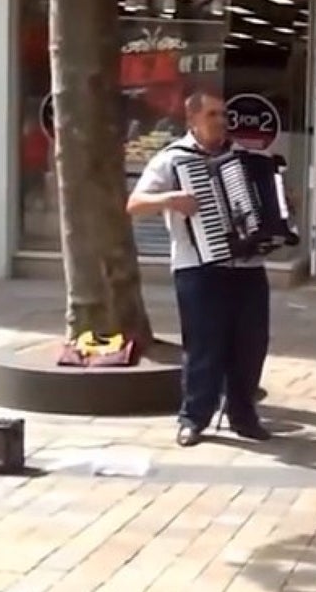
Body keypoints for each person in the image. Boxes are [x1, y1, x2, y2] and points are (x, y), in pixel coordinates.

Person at [126, 91, 272, 448]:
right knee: (204, 344)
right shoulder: (172, 160)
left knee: (251, 343)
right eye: (212, 115)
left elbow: (269, 198)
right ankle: (193, 418)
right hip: (197, 267)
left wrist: (277, 206)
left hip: (248, 265)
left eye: (223, 115)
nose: (221, 121)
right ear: (192, 120)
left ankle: (243, 415)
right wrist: (170, 200)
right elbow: (134, 203)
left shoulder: (244, 158)